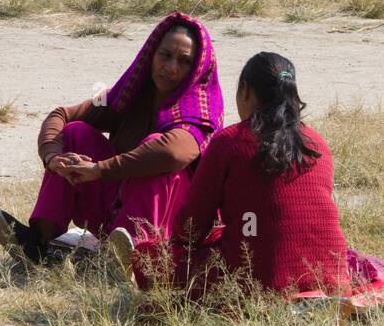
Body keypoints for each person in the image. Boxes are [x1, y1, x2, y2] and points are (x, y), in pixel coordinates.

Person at [128, 51, 384, 299]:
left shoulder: (230, 141)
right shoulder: (317, 143)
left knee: (147, 257)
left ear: (247, 91)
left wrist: (175, 245)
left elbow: (191, 227)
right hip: (330, 279)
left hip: (256, 281)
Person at [0, 11, 223, 262]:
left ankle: (132, 257)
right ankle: (38, 241)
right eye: (165, 55)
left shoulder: (201, 111)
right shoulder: (129, 95)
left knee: (154, 148)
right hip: (118, 210)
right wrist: (52, 156)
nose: (171, 68)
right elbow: (62, 115)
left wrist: (100, 169)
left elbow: (172, 153)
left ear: (197, 68)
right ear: (152, 54)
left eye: (184, 61)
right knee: (75, 132)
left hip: (171, 225)